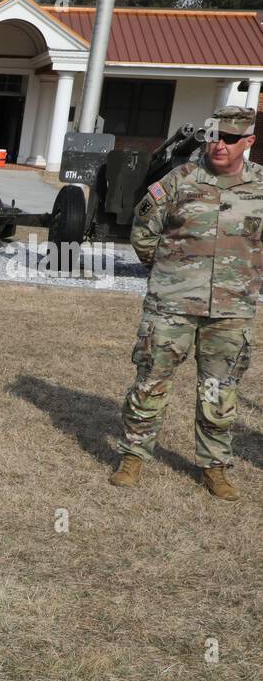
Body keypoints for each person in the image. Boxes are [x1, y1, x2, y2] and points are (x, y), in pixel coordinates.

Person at [110, 105, 263, 501]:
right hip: (170, 307)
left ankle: (214, 466)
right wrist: (169, 277)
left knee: (219, 389)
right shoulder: (178, 181)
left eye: (230, 139)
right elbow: (144, 234)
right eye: (215, 137)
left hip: (230, 312)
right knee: (150, 382)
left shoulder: (261, 187)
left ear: (248, 141)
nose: (220, 146)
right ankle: (133, 456)